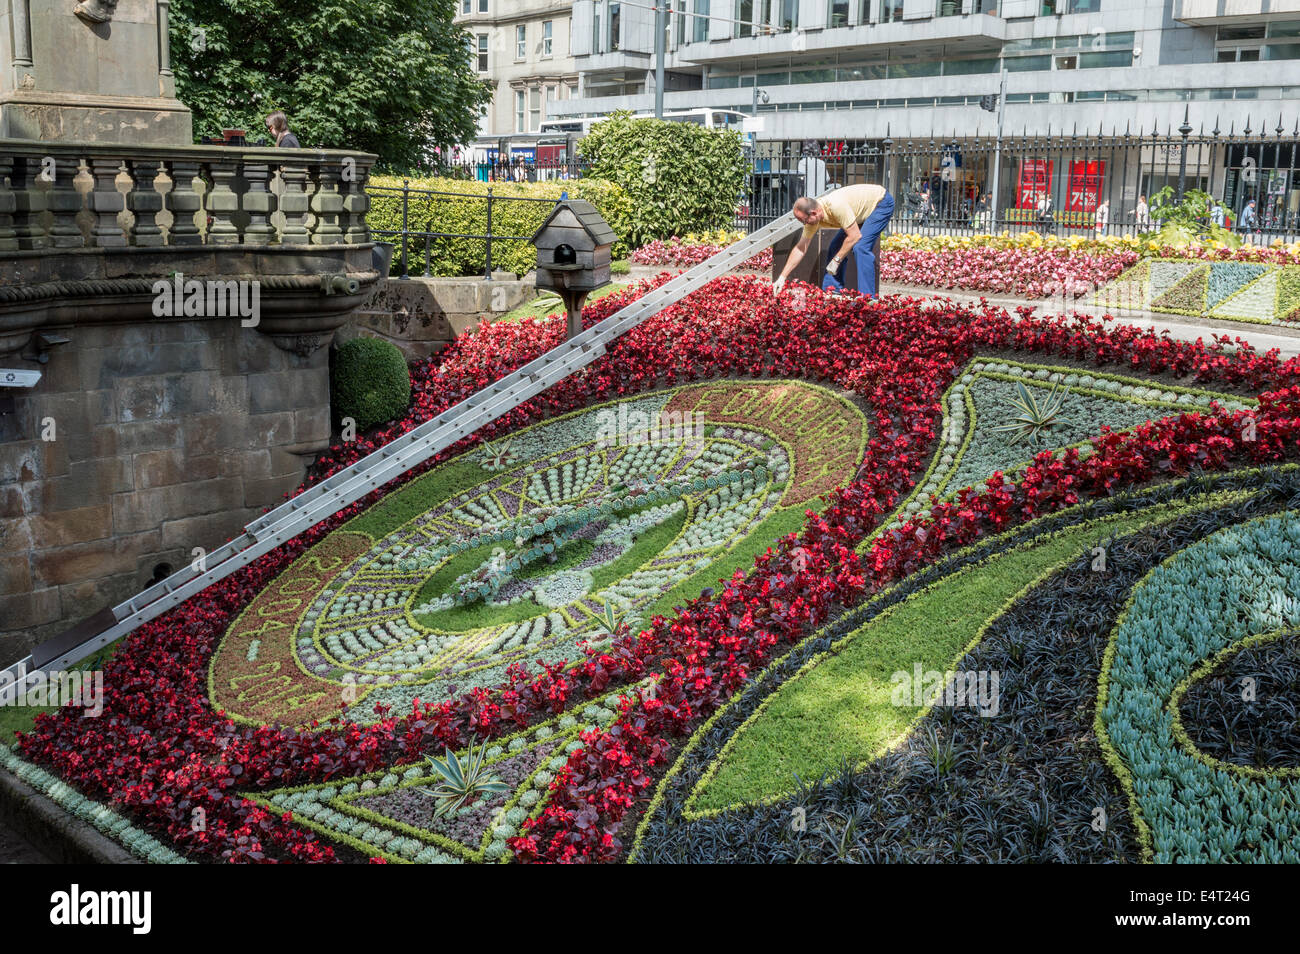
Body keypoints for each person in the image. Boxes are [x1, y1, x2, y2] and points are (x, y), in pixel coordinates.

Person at [773, 183, 896, 298]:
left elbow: (854, 236)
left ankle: (868, 298)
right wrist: (782, 277)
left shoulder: (835, 206)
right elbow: (801, 248)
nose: (804, 224)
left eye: (804, 220)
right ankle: (832, 291)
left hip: (880, 202)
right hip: (860, 211)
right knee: (835, 247)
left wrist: (837, 260)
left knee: (861, 247)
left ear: (814, 213)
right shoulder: (813, 219)